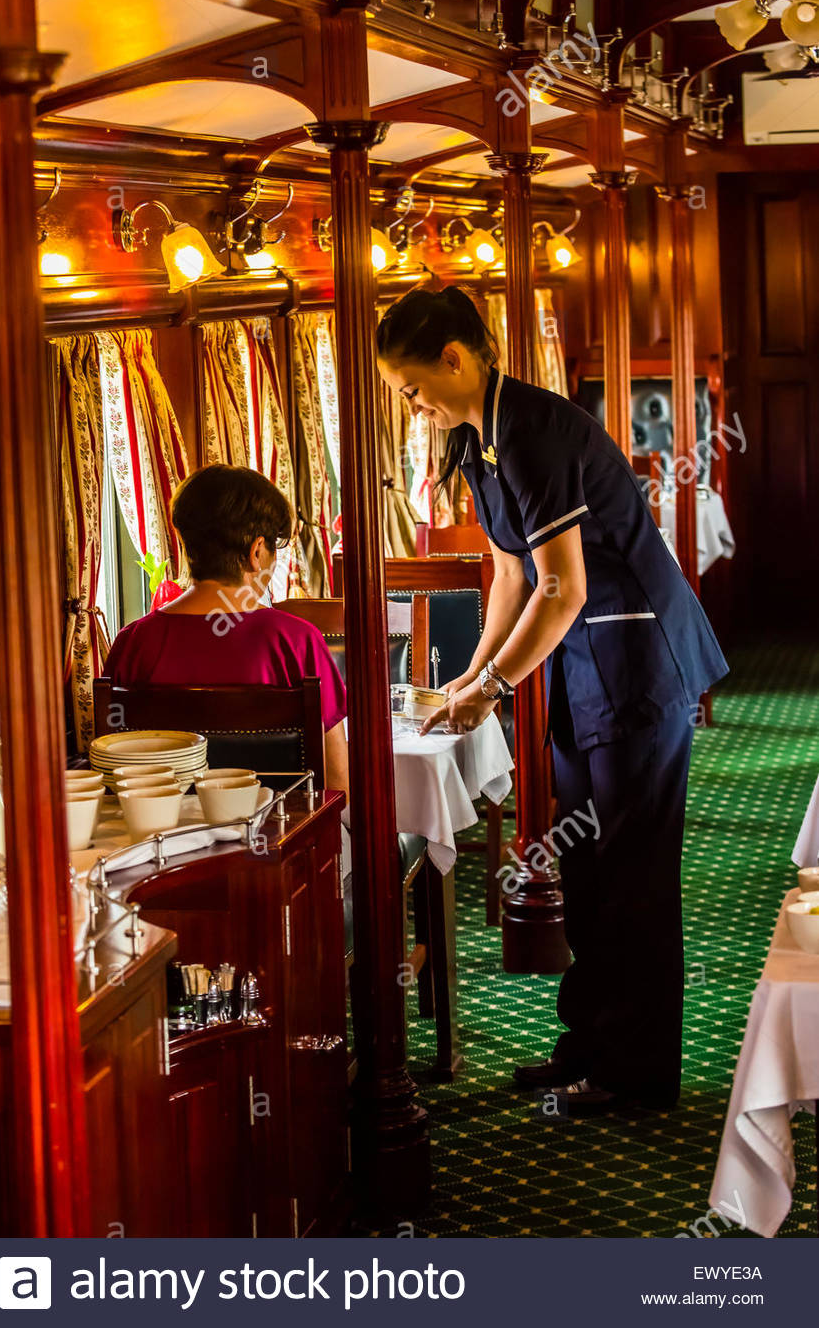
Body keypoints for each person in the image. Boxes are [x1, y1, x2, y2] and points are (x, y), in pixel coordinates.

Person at [376, 286, 729, 1114]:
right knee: (585, 863)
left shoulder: (533, 433)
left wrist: (497, 685)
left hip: (637, 657)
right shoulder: (475, 439)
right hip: (580, 662)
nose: (412, 405)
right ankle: (590, 1043)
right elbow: (509, 572)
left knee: (632, 874)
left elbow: (562, 587)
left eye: (411, 387)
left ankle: (633, 1074)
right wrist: (471, 675)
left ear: (455, 360)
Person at [102, 464, 349, 798]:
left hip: (163, 840)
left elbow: (115, 773)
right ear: (257, 552)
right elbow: (336, 785)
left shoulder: (132, 643)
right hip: (282, 837)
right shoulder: (298, 640)